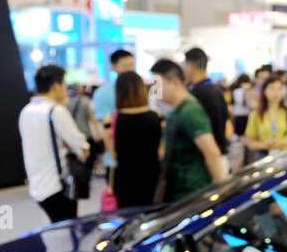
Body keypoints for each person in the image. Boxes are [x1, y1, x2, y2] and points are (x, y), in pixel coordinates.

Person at [19, 64, 90, 222]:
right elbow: (82, 147)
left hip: (37, 186)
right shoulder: (56, 111)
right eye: (64, 84)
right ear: (56, 85)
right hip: (58, 186)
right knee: (68, 233)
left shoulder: (26, 111)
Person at [151, 58, 228, 202]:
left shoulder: (190, 111)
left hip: (192, 192)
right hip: (181, 191)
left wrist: (221, 193)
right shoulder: (178, 110)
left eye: (157, 85)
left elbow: (211, 152)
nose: (154, 91)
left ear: (175, 82)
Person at [109, 71, 162, 207]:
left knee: (128, 220)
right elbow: (161, 152)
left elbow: (113, 155)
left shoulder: (116, 118)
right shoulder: (154, 117)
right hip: (151, 177)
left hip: (125, 179)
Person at [92, 49, 134, 182]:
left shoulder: (140, 89)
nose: (130, 69)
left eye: (132, 65)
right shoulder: (102, 93)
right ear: (113, 67)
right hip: (116, 160)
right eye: (125, 66)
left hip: (142, 157)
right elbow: (107, 128)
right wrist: (113, 155)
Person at [243, 74, 287, 158]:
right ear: (264, 91)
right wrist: (264, 145)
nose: (276, 93)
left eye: (280, 89)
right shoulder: (256, 114)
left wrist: (279, 142)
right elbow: (250, 143)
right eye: (272, 89)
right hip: (264, 156)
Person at [183, 46, 230, 152]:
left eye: (184, 64)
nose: (183, 68)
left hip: (206, 154)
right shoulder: (217, 90)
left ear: (191, 65)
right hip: (219, 149)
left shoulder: (197, 93)